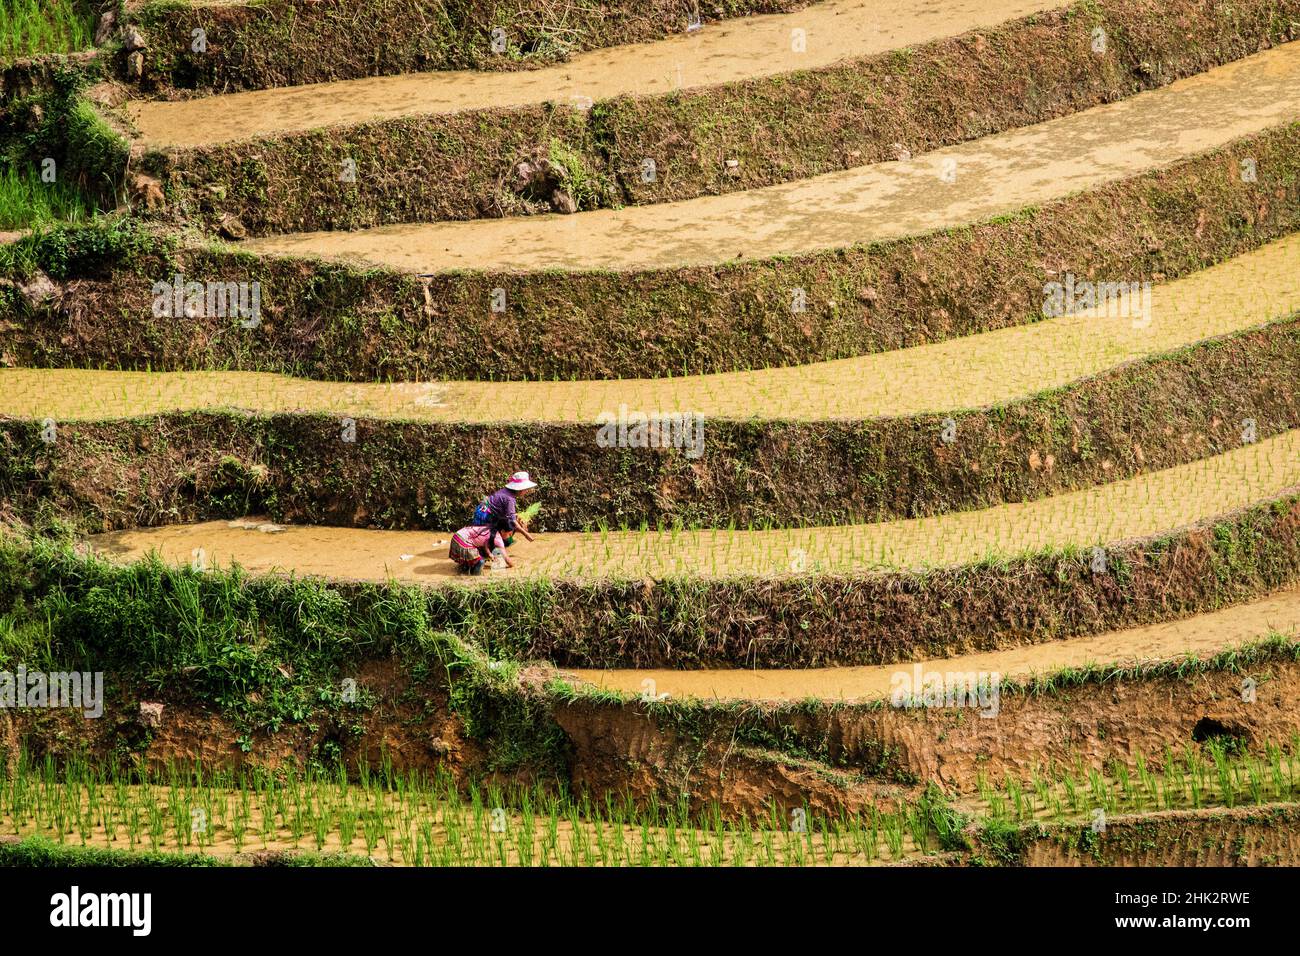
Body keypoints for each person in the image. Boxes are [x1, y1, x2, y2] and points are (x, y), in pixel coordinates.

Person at [479, 471, 539, 546]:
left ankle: (504, 541)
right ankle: (502, 543)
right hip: (485, 516)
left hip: (483, 510)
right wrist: (526, 534)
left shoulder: (505, 491)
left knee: (511, 522)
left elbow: (505, 512)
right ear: (520, 490)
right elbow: (513, 521)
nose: (526, 491)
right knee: (510, 525)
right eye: (525, 489)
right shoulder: (510, 499)